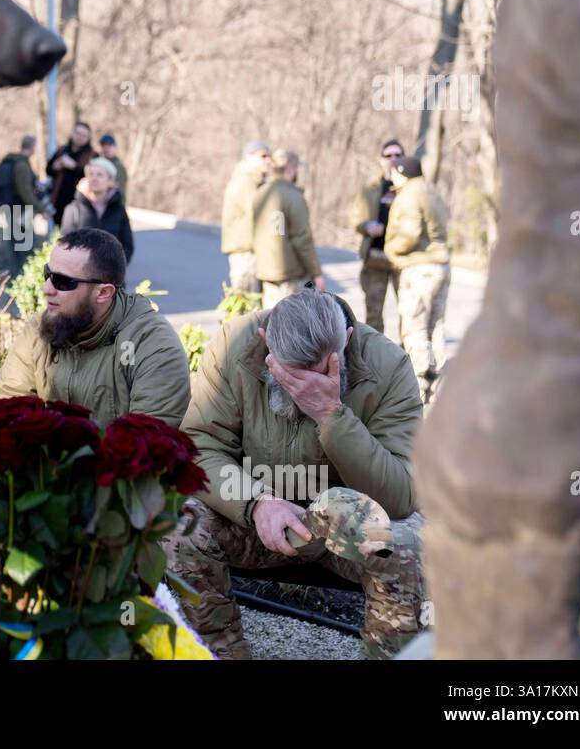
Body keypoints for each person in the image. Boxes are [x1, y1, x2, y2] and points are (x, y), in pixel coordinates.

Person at [163, 289, 425, 660]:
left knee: (408, 547)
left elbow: (402, 494)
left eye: (313, 372)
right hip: (260, 519)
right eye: (285, 370)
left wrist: (330, 414)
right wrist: (255, 502)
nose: (296, 384)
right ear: (265, 339)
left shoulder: (388, 365)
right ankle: (221, 653)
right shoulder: (236, 343)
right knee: (178, 522)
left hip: (346, 524)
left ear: (345, 343)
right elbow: (198, 446)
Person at [0, 228, 189, 426]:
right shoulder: (38, 330)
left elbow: (148, 445)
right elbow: (2, 413)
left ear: (103, 293)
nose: (47, 289)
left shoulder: (153, 347)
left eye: (63, 281)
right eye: (48, 274)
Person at [383, 155, 451, 402]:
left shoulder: (410, 195)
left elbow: (410, 234)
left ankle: (418, 388)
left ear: (403, 172)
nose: (392, 178)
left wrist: (392, 250)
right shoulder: (431, 190)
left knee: (415, 327)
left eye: (395, 173)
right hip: (440, 266)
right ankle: (438, 386)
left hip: (419, 267)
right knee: (436, 326)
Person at [251, 149, 323, 308]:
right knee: (294, 327)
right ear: (291, 169)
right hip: (291, 278)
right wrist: (316, 273)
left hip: (267, 274)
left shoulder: (260, 194)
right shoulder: (293, 196)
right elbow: (302, 239)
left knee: (272, 324)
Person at [348, 139, 404, 334]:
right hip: (375, 257)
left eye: (398, 155)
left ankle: (404, 357)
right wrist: (367, 226)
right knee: (373, 312)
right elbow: (355, 217)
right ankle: (375, 359)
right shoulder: (371, 187)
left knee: (407, 313)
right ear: (381, 160)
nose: (393, 159)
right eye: (388, 156)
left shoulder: (409, 187)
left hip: (403, 260)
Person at [0, 135, 45, 278]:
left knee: (17, 245)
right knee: (23, 247)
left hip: (13, 210)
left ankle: (17, 278)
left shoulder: (13, 161)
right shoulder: (21, 165)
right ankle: (19, 279)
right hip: (19, 212)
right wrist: (41, 209)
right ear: (33, 148)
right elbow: (25, 192)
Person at [59, 156, 135, 263]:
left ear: (111, 181)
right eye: (91, 174)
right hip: (79, 274)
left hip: (111, 275)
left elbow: (128, 246)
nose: (94, 178)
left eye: (100, 175)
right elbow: (65, 244)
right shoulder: (73, 208)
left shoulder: (119, 210)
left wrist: (116, 268)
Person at [221, 140, 272, 292]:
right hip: (245, 255)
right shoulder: (245, 180)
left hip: (251, 252)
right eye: (263, 156)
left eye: (270, 156)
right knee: (247, 306)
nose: (268, 160)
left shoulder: (255, 180)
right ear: (249, 157)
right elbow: (260, 213)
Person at [47, 121, 96, 226]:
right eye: (78, 133)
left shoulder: (93, 155)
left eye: (84, 135)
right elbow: (48, 170)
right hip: (58, 203)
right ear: (72, 133)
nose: (80, 137)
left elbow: (93, 178)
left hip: (81, 204)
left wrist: (74, 167)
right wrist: (54, 167)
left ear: (88, 138)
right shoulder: (61, 150)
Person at [99, 133, 128, 200]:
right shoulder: (98, 163)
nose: (106, 149)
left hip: (113, 203)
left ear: (115, 147)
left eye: (109, 145)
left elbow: (120, 190)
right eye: (104, 146)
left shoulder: (119, 166)